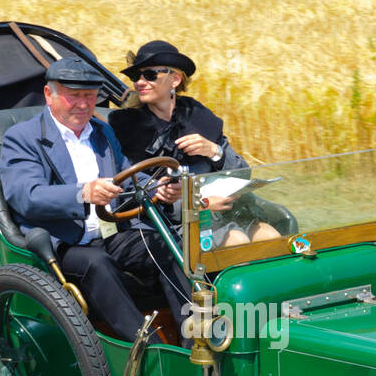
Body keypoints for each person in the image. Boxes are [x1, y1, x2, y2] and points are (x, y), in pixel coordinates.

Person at [0, 57, 191, 344]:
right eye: (73, 96)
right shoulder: (22, 137)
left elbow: (126, 182)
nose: (83, 104)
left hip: (112, 231)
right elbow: (27, 197)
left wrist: (156, 191)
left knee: (166, 244)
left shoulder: (103, 132)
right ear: (49, 95)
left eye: (89, 96)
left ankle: (198, 340)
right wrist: (82, 193)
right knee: (96, 263)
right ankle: (150, 350)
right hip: (62, 241)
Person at [108, 40, 281, 247]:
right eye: (136, 76)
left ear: (175, 79)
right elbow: (133, 191)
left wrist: (214, 152)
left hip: (224, 212)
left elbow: (242, 173)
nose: (140, 82)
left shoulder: (197, 115)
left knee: (272, 239)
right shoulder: (127, 127)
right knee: (236, 241)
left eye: (150, 75)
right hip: (170, 223)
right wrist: (200, 204)